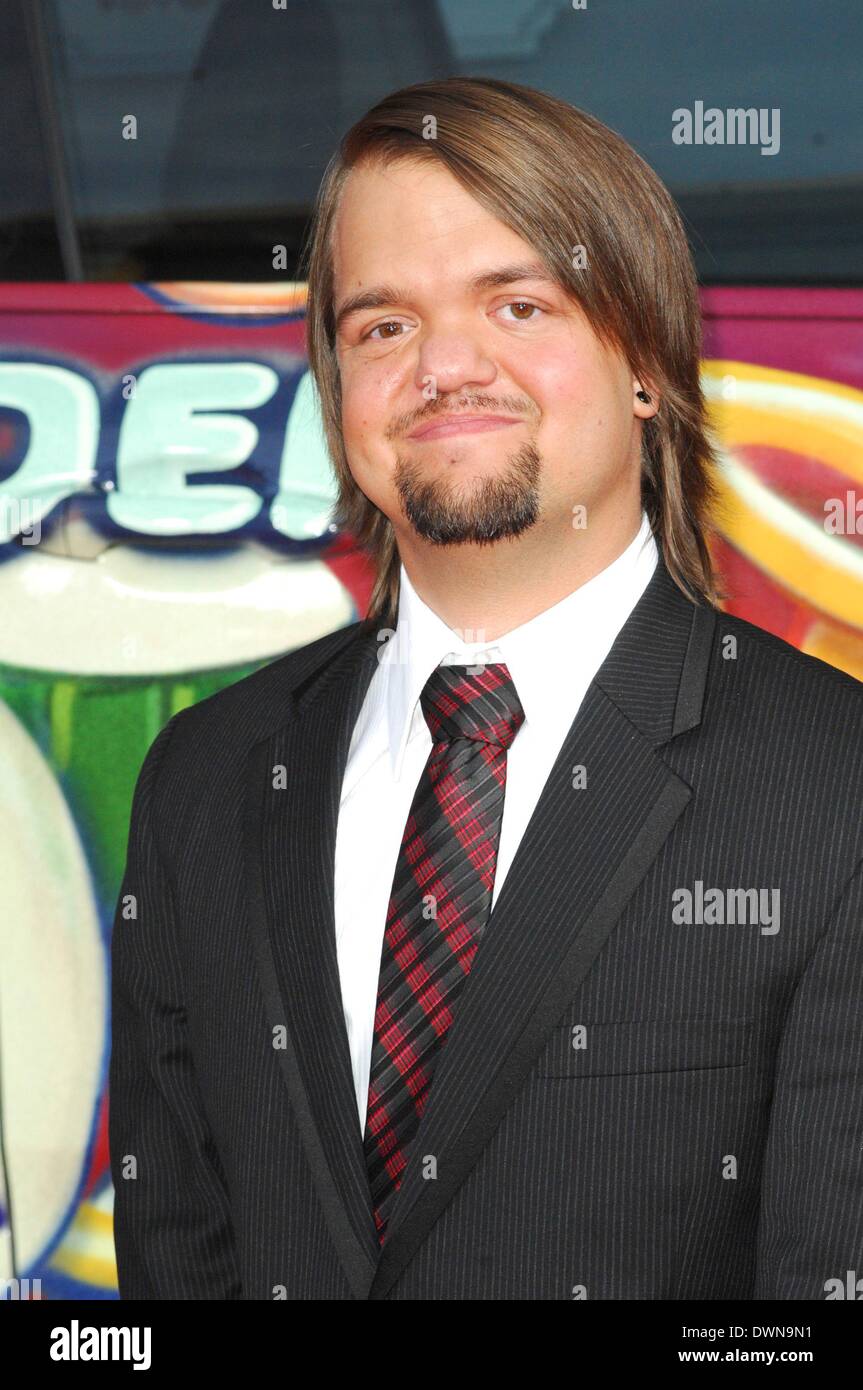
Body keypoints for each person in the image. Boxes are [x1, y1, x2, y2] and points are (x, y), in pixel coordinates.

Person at [109, 77, 863, 1300]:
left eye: (518, 303)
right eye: (382, 326)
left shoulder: (833, 788)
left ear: (646, 367)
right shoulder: (205, 777)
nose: (444, 368)